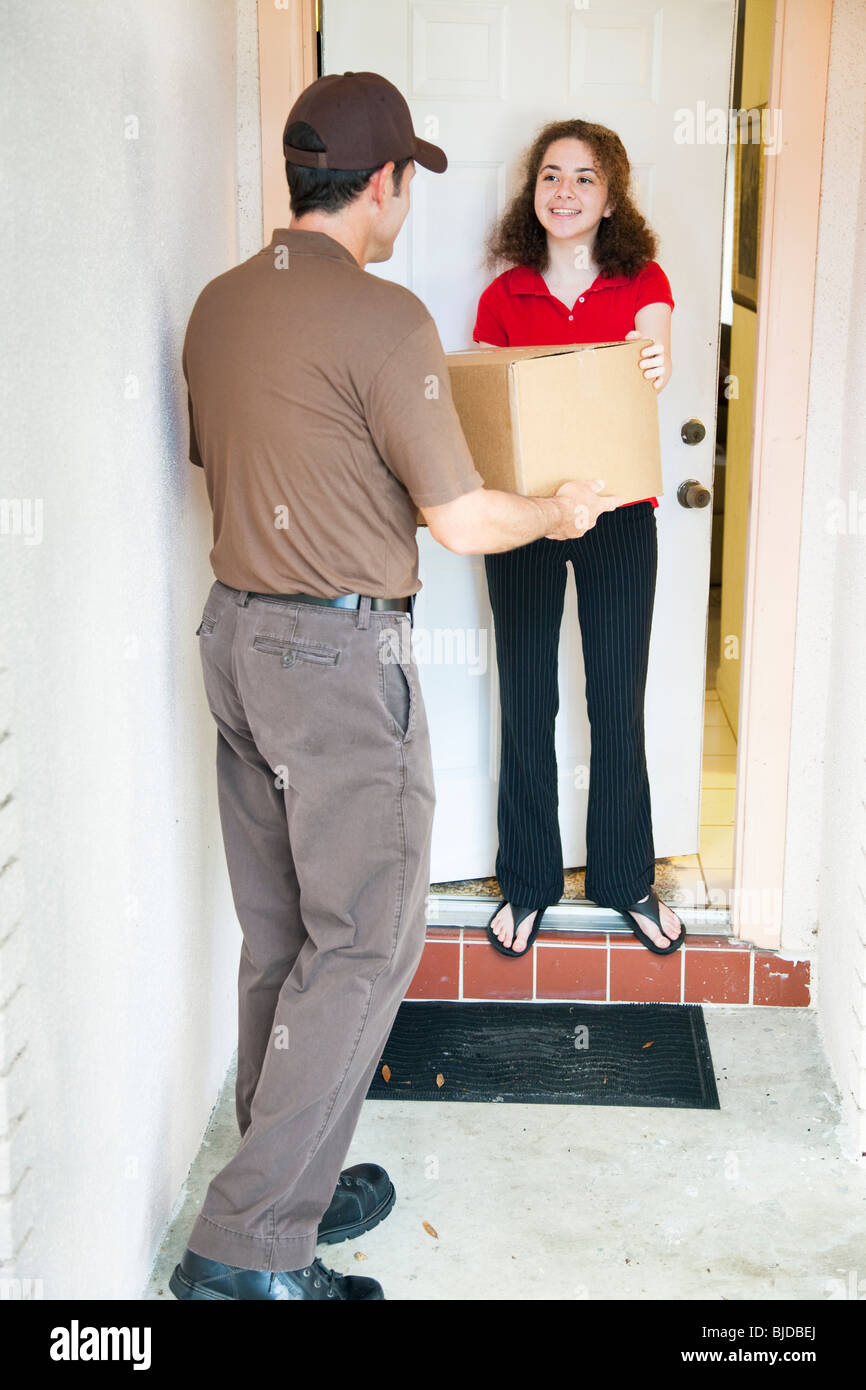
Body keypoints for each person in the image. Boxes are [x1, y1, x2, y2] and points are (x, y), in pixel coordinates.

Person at [171, 74, 620, 1302]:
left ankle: (290, 1182)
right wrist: (560, 507)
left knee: (285, 937)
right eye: (405, 177)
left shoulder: (217, 305)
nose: (405, 196)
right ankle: (246, 1249)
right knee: (362, 944)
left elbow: (244, 459)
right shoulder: (384, 318)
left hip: (235, 640)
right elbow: (463, 519)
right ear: (382, 183)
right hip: (333, 660)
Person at [475, 119, 687, 961]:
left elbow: (655, 348)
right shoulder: (504, 294)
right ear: (535, 192)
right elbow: (486, 409)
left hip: (621, 515)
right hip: (525, 518)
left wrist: (652, 356)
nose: (565, 193)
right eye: (551, 177)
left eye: (584, 179)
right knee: (527, 700)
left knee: (616, 698)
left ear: (610, 197)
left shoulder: (643, 280)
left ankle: (624, 877)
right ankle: (527, 882)